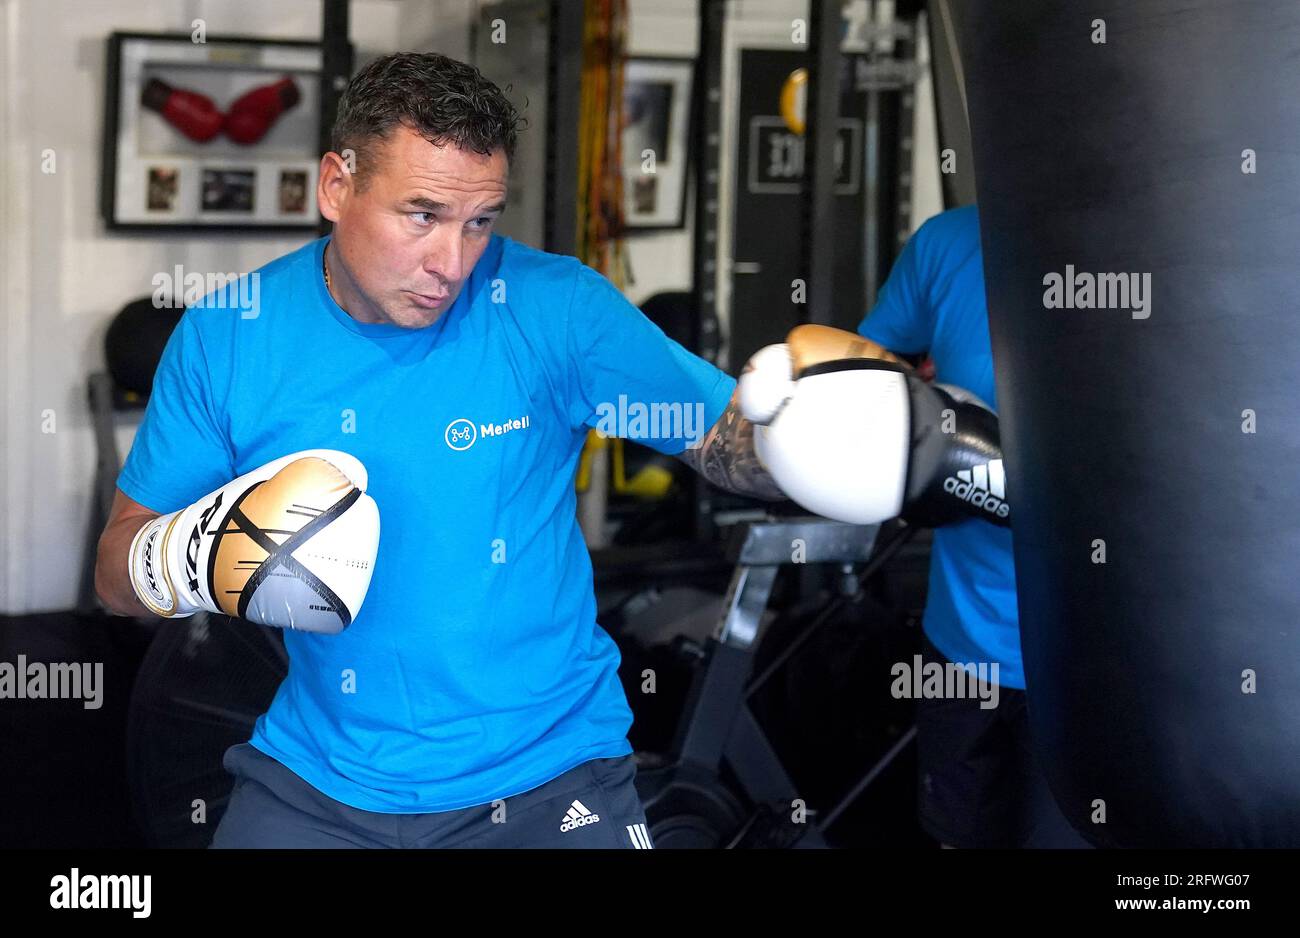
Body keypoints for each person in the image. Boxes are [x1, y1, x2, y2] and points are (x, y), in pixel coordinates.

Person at [94, 52, 785, 849]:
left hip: (548, 776)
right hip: (318, 783)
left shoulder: (557, 308)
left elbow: (731, 441)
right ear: (336, 186)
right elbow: (114, 577)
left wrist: (839, 443)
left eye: (480, 221)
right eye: (421, 214)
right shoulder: (229, 338)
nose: (452, 263)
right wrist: (186, 559)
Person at [855, 205, 1089, 848]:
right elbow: (864, 367)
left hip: (1093, 665)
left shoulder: (1152, 245)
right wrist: (920, 412)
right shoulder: (947, 243)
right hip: (962, 641)